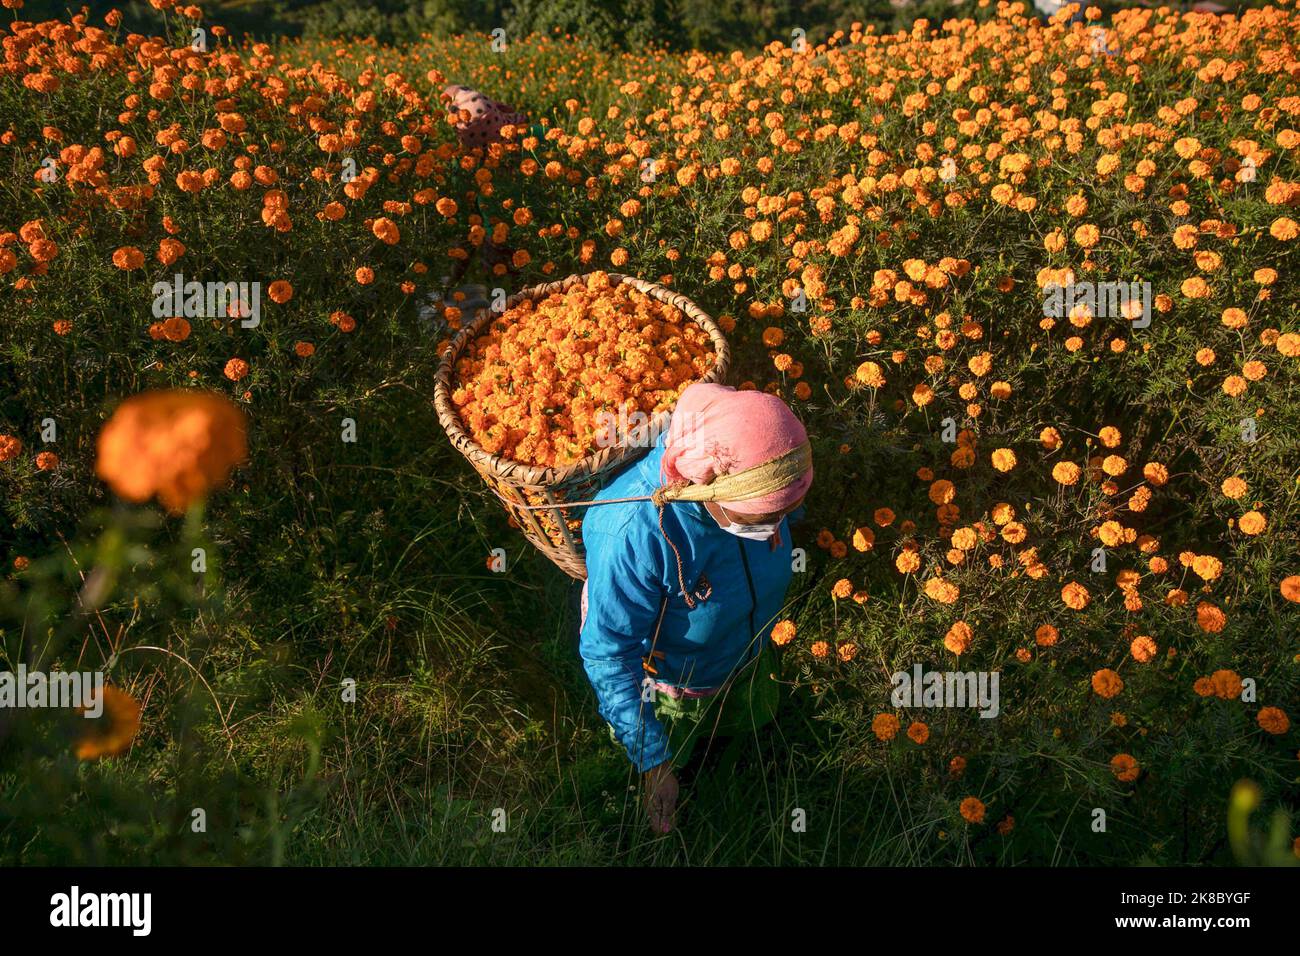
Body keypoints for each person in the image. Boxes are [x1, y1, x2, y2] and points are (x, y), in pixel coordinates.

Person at [578, 383, 814, 835]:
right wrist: (653, 762)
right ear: (707, 486)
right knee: (680, 750)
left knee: (737, 729)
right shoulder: (633, 534)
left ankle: (728, 743)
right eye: (762, 517)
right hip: (672, 687)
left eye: (786, 512)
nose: (775, 529)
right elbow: (609, 654)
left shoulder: (753, 456)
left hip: (745, 655)